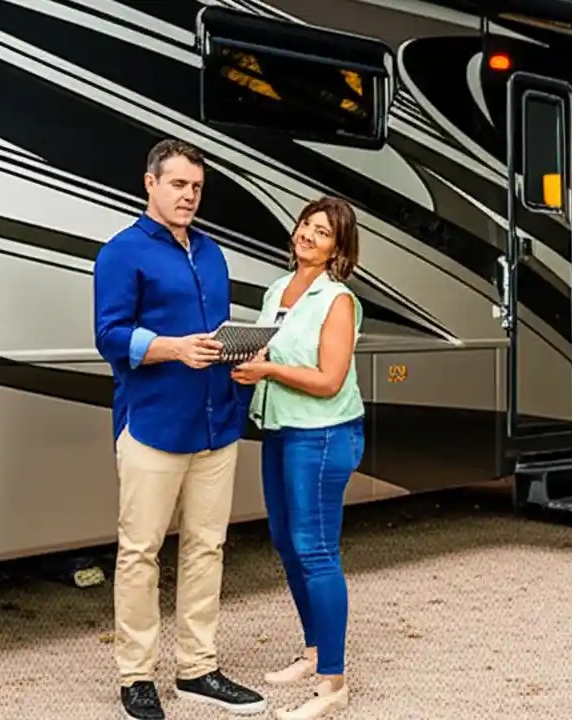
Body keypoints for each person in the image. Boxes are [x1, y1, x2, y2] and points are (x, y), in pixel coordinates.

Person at [93, 138, 267, 720]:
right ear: (151, 184)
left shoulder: (213, 253)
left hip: (217, 424)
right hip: (152, 426)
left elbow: (215, 330)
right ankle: (136, 676)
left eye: (195, 187)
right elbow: (110, 336)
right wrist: (171, 349)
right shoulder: (122, 252)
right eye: (178, 185)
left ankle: (198, 668)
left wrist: (237, 360)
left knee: (207, 548)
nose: (188, 195)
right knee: (140, 552)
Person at [230, 196, 365, 720]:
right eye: (305, 224)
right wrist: (249, 360)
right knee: (286, 542)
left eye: (322, 231)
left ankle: (334, 684)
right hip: (282, 428)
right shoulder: (277, 289)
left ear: (338, 249)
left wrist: (268, 372)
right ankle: (313, 653)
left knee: (316, 551)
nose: (308, 235)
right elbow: (278, 352)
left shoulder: (338, 300)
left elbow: (329, 381)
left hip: (324, 433)